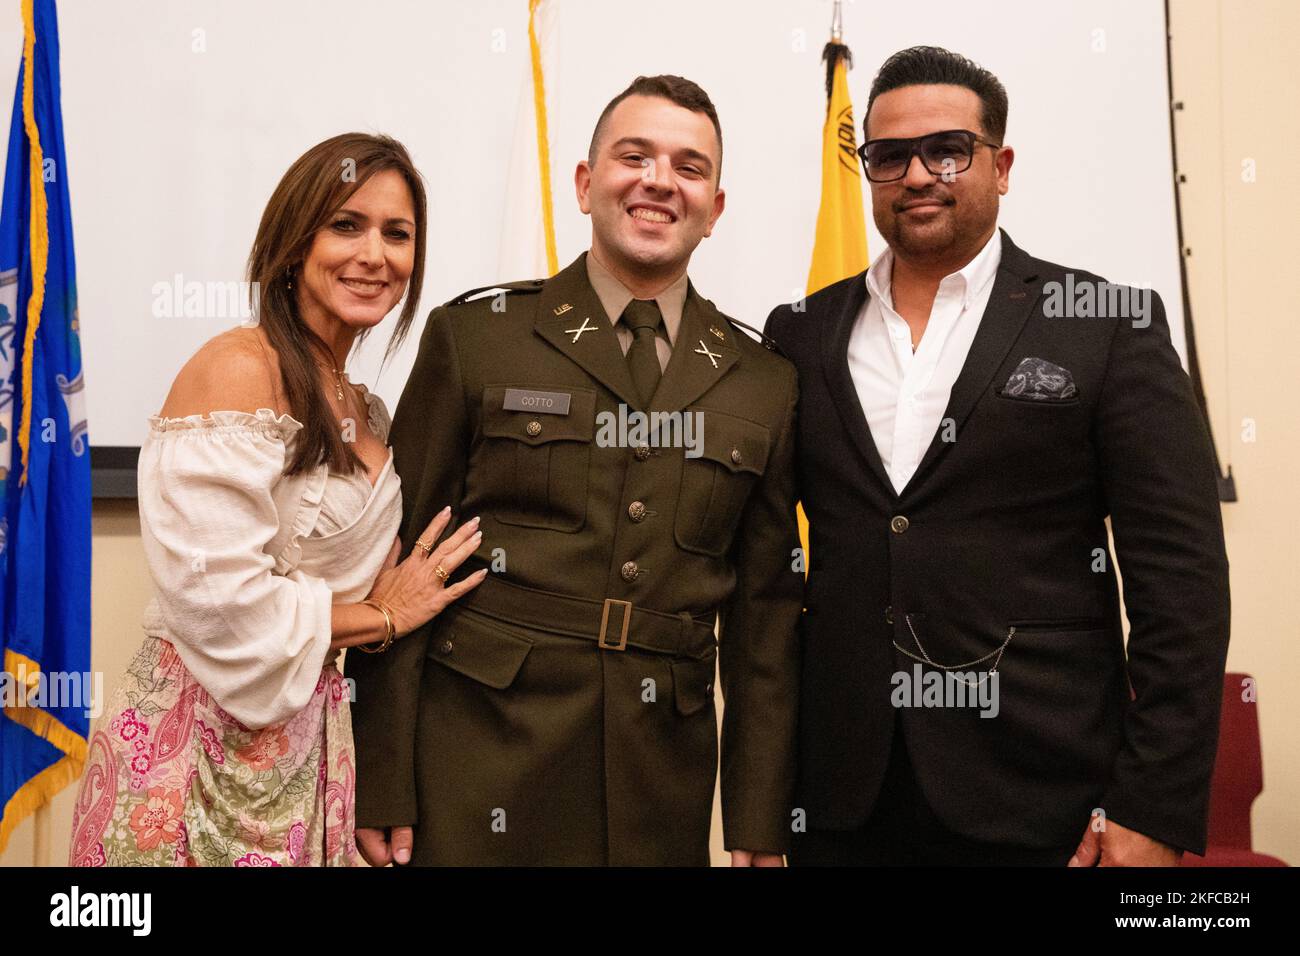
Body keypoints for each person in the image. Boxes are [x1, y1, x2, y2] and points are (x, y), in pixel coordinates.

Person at [765, 46, 1230, 866]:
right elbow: (769, 566)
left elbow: (1182, 584)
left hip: (1044, 798)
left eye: (947, 150)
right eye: (890, 155)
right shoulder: (799, 332)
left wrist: (1152, 806)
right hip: (840, 801)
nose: (917, 174)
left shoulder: (1105, 325)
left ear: (1001, 164)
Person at [349, 76, 802, 867]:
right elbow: (396, 570)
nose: (660, 180)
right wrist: (382, 777)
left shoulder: (764, 379)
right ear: (587, 185)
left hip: (658, 773)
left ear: (715, 209)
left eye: (689, 167)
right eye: (635, 157)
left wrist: (759, 817)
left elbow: (763, 627)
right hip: (479, 757)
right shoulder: (477, 336)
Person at [67, 133, 484, 867]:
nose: (374, 255)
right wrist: (385, 615)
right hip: (189, 752)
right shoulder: (237, 369)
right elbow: (221, 601)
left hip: (311, 749)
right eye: (346, 225)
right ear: (295, 242)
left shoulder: (370, 410)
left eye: (398, 234)